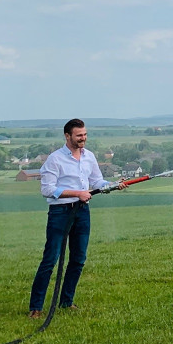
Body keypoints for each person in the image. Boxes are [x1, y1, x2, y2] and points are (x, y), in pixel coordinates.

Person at [28, 118, 125, 317]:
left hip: (82, 211)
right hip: (60, 213)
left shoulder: (89, 156)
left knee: (79, 259)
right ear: (67, 136)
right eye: (79, 135)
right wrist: (77, 193)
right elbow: (47, 189)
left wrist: (114, 184)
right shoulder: (55, 159)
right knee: (50, 259)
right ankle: (36, 308)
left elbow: (97, 181)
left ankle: (66, 301)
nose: (83, 138)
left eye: (85, 134)